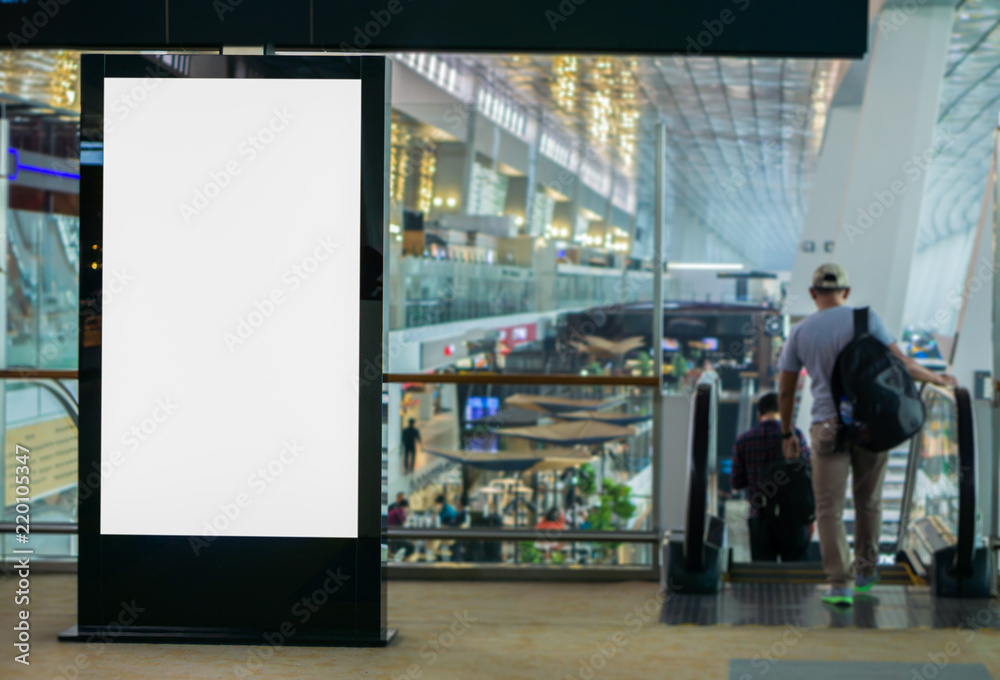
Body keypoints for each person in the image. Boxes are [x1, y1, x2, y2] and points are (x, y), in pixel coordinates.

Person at [777, 263, 957, 607]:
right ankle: (865, 572)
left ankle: (839, 584)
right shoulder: (866, 319)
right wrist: (936, 379)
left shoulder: (800, 332)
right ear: (845, 292)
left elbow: (786, 391)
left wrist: (787, 432)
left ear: (814, 294)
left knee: (828, 507)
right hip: (871, 424)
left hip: (826, 425)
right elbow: (900, 362)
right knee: (869, 502)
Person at [730, 392, 811, 562]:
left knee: (763, 575)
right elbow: (807, 474)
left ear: (759, 414)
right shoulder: (796, 435)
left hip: (760, 518)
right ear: (783, 411)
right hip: (793, 518)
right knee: (798, 576)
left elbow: (736, 482)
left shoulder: (743, 440)